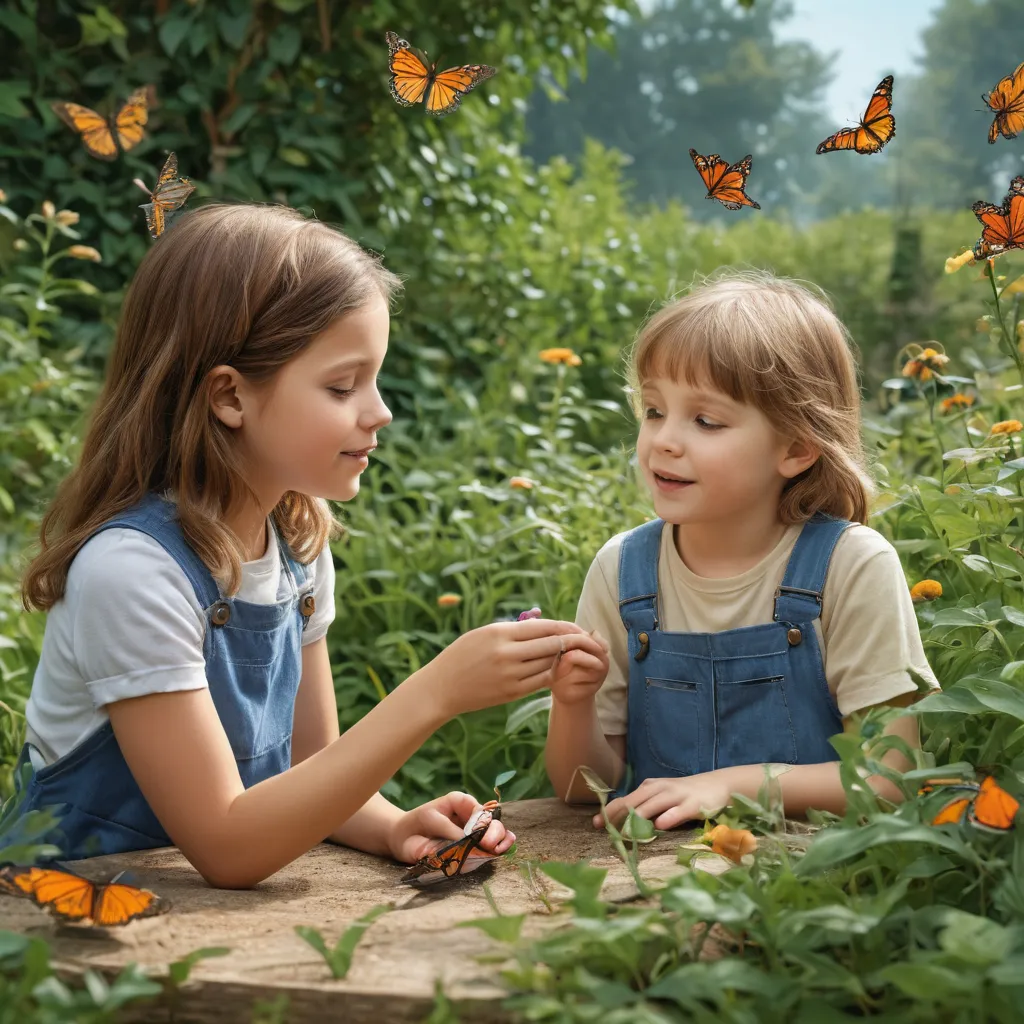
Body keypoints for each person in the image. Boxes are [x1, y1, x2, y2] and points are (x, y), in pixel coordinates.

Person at [12, 203, 608, 887]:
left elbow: (310, 769)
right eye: (341, 385)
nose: (379, 410)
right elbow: (228, 847)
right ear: (230, 397)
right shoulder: (133, 573)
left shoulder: (295, 543)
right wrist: (436, 692)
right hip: (67, 921)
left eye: (374, 379)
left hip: (194, 920)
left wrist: (388, 824)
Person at [544, 271, 939, 830]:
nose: (664, 440)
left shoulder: (850, 566)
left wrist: (730, 786)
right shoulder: (623, 570)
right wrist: (573, 702)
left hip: (809, 881)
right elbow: (582, 788)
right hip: (650, 882)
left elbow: (885, 778)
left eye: (705, 420)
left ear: (798, 447)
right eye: (654, 410)